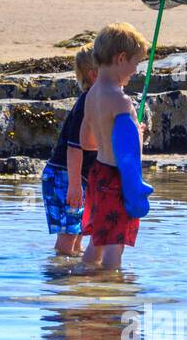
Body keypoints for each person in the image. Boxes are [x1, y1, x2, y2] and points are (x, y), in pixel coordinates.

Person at [79, 23, 151, 268]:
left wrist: (108, 136)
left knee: (97, 241)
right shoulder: (121, 100)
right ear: (121, 59)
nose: (135, 71)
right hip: (117, 179)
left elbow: (85, 142)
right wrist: (138, 133)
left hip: (98, 174)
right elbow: (130, 155)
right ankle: (112, 293)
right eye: (135, 63)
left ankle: (84, 281)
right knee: (114, 244)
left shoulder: (91, 95)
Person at [40, 45, 98, 256]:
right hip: (65, 176)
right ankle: (63, 279)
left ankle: (75, 279)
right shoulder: (87, 102)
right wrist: (74, 186)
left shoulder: (97, 100)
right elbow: (75, 147)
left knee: (78, 234)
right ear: (94, 75)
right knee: (67, 239)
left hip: (76, 177)